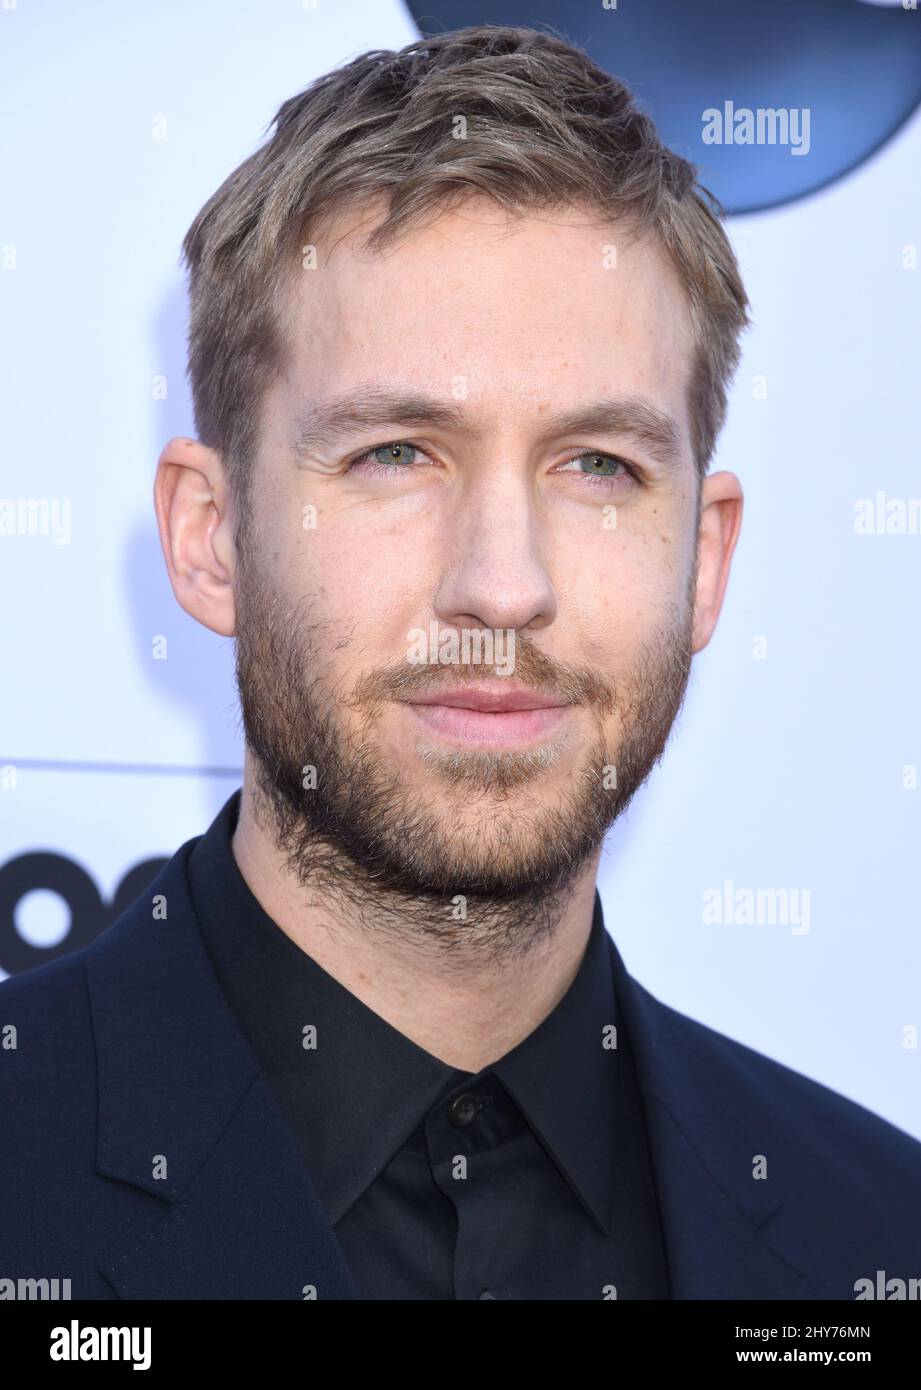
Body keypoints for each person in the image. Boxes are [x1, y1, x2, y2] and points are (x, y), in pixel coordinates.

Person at [2, 24, 919, 1302]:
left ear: (705, 562)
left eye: (599, 465)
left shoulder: (877, 1239)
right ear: (210, 539)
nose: (503, 583)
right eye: (395, 453)